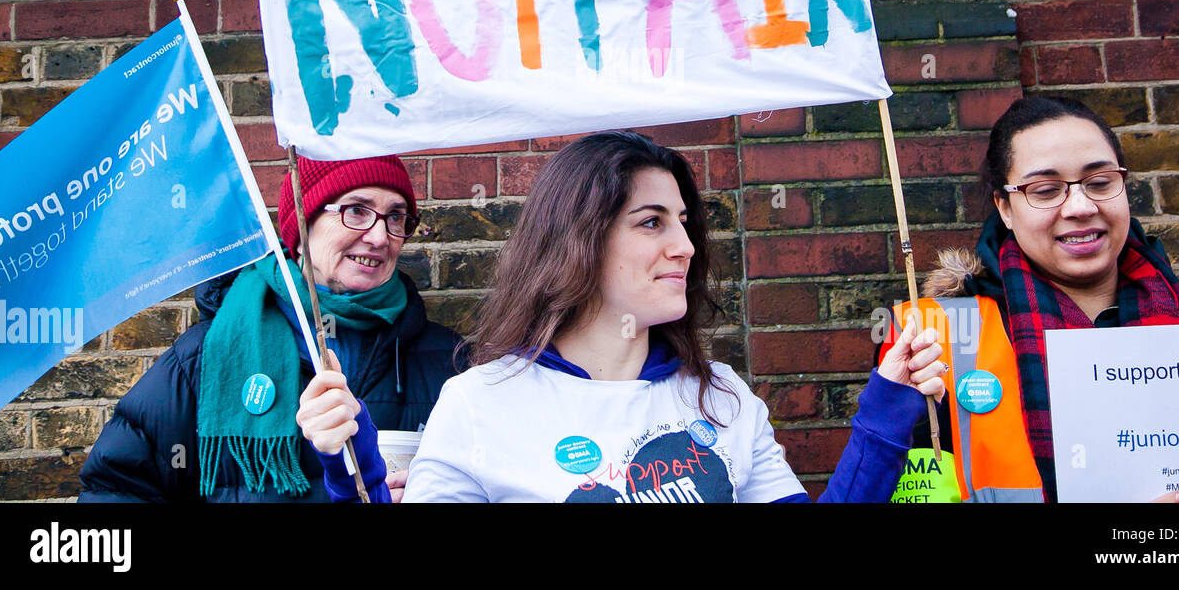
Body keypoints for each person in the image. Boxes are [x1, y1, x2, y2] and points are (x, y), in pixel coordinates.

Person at [298, 130, 946, 502]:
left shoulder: (723, 397)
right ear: (578, 238)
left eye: (684, 224)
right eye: (650, 223)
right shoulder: (478, 404)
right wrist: (350, 467)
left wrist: (887, 406)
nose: (685, 247)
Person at [875, 96, 1179, 503]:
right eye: (1046, 190)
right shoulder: (929, 341)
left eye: (1100, 182)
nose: (1081, 207)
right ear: (1005, 207)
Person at [78, 155, 461, 502]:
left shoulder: (450, 362)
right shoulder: (206, 357)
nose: (380, 236)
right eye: (356, 211)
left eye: (395, 216)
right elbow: (115, 490)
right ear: (303, 225)